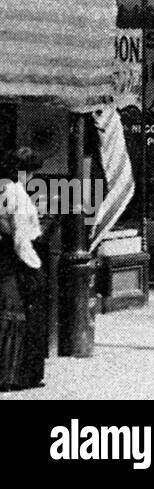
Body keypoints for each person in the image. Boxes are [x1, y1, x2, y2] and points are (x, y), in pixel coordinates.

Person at [1, 147, 47, 392]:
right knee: (20, 316)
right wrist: (34, 265)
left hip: (7, 257)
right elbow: (20, 238)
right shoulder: (15, 193)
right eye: (30, 172)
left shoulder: (4, 189)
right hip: (19, 260)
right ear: (23, 171)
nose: (31, 176)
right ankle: (18, 374)